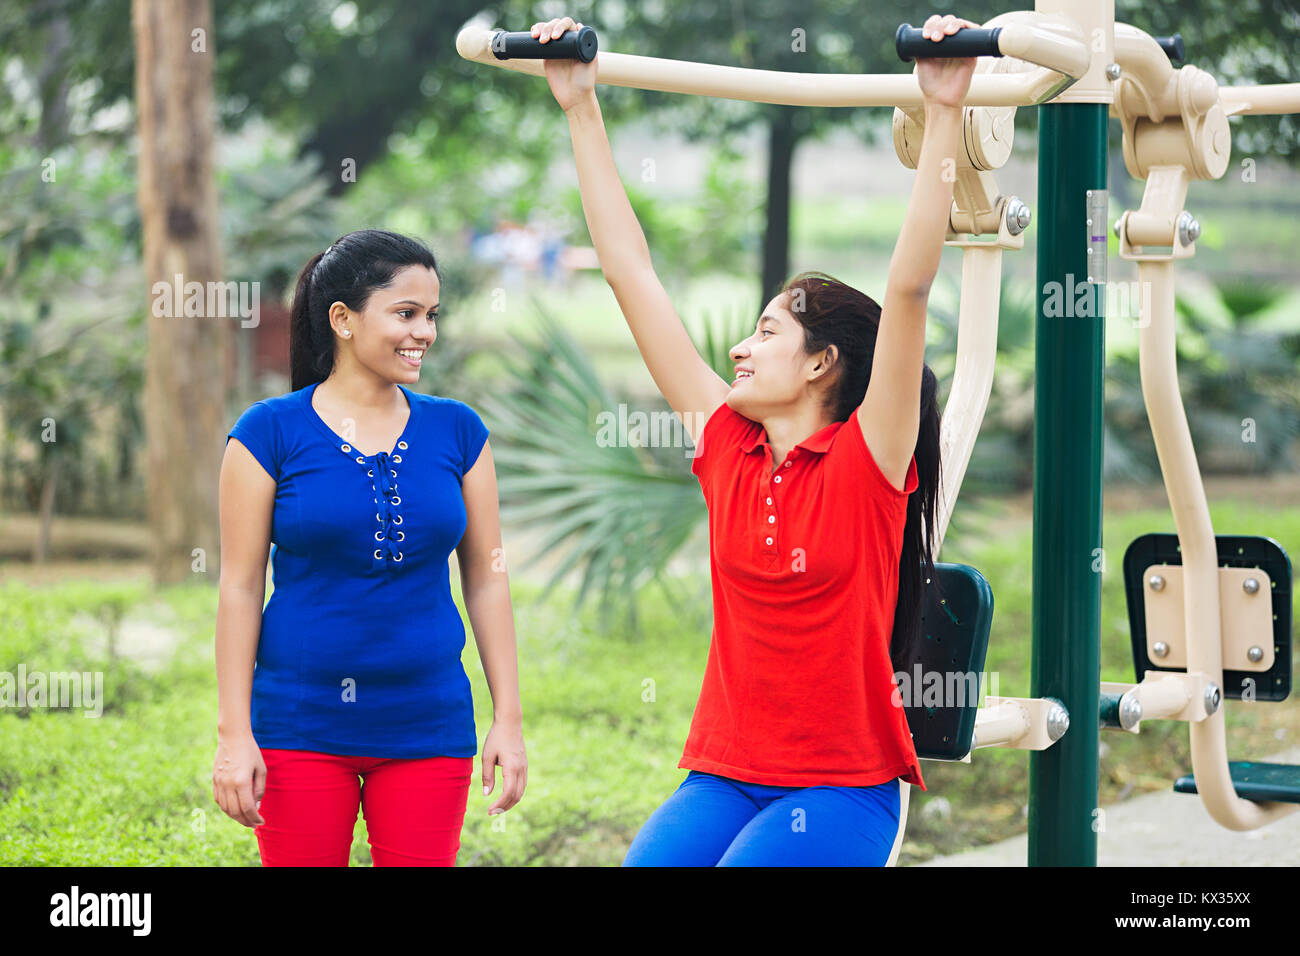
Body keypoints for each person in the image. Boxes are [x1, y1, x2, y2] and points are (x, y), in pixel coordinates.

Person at [533, 12, 976, 865]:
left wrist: (945, 112)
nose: (739, 348)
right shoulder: (728, 445)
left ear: (823, 365)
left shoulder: (868, 460)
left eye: (767, 333)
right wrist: (579, 106)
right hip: (726, 773)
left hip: (843, 785)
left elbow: (910, 288)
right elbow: (630, 271)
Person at [212, 229, 526, 866]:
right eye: (406, 313)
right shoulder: (267, 433)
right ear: (343, 320)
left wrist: (509, 721)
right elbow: (240, 588)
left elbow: (488, 579)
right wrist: (234, 735)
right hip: (300, 724)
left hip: (428, 723)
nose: (425, 332)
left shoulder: (458, 431)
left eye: (432, 315)